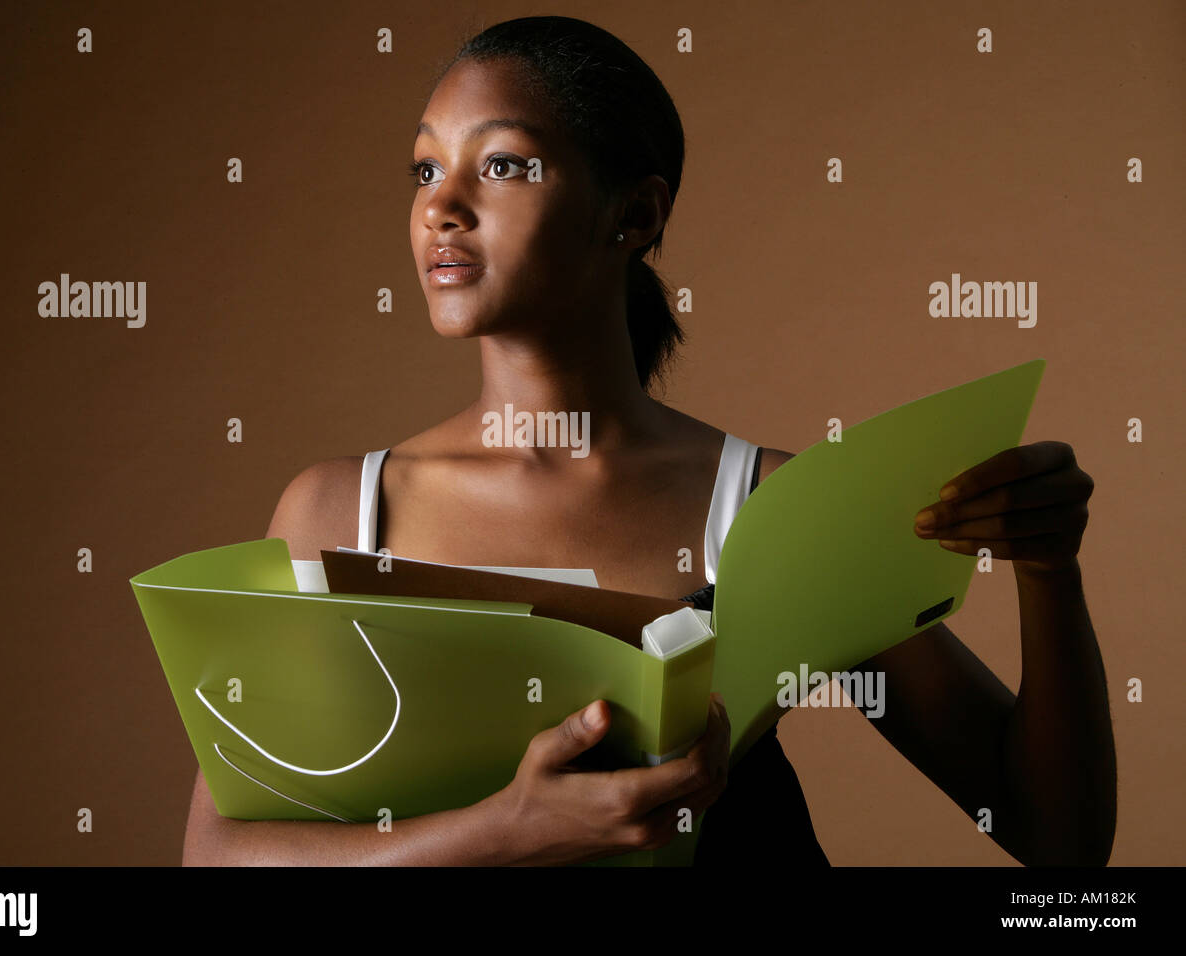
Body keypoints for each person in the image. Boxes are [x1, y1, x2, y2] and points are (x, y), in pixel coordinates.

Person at [182, 15, 1115, 866]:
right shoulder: (337, 511)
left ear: (635, 214)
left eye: (502, 165)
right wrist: (510, 831)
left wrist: (1049, 572)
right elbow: (216, 856)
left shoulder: (775, 507)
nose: (441, 206)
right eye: (425, 169)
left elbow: (1056, 837)